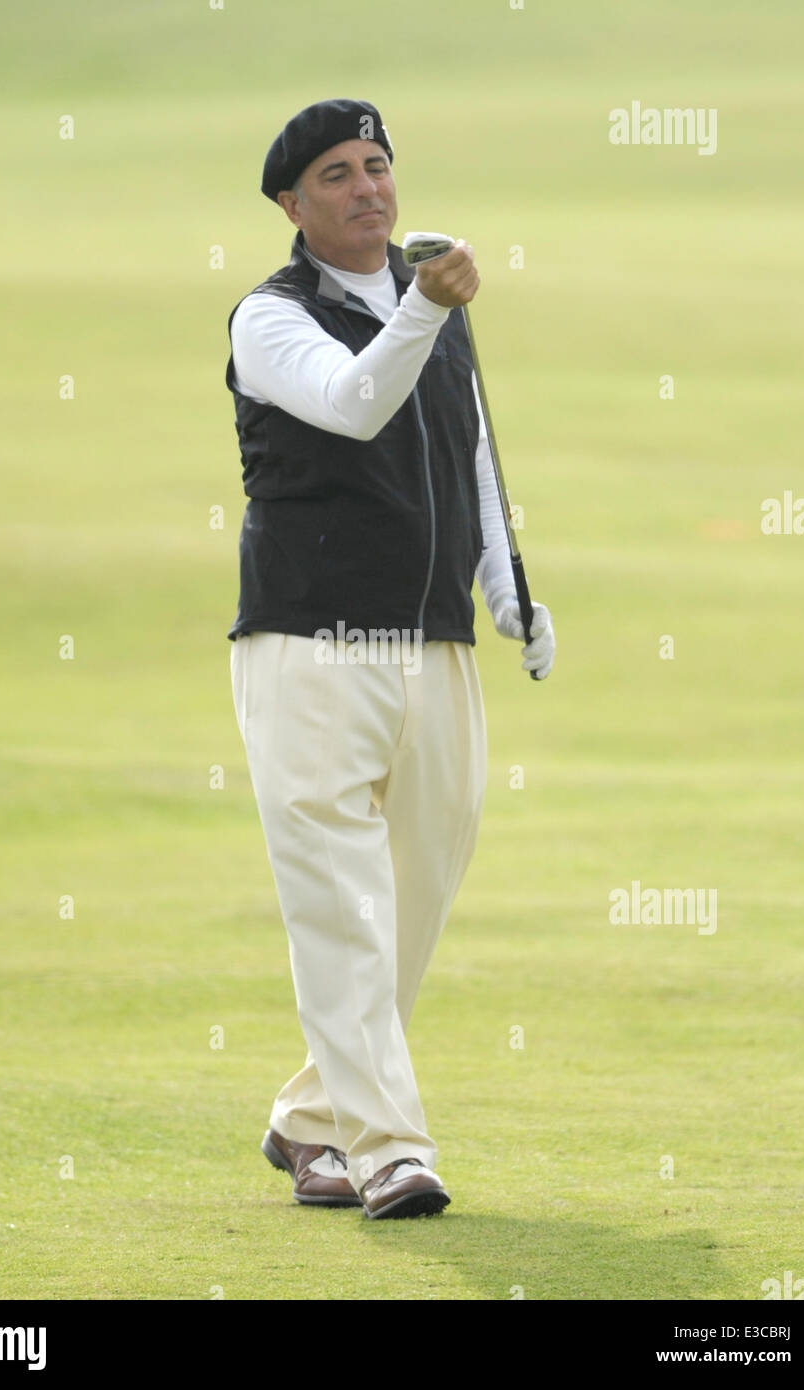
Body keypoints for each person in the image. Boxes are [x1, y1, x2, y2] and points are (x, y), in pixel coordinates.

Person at [226, 98, 555, 1220]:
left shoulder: (433, 308)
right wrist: (422, 306)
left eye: (377, 165)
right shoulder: (267, 320)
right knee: (343, 910)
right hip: (308, 647)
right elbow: (353, 404)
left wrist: (509, 586)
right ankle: (389, 1149)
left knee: (412, 903)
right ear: (291, 204)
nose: (367, 187)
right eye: (336, 174)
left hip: (433, 649)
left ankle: (307, 1121)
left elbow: (469, 452)